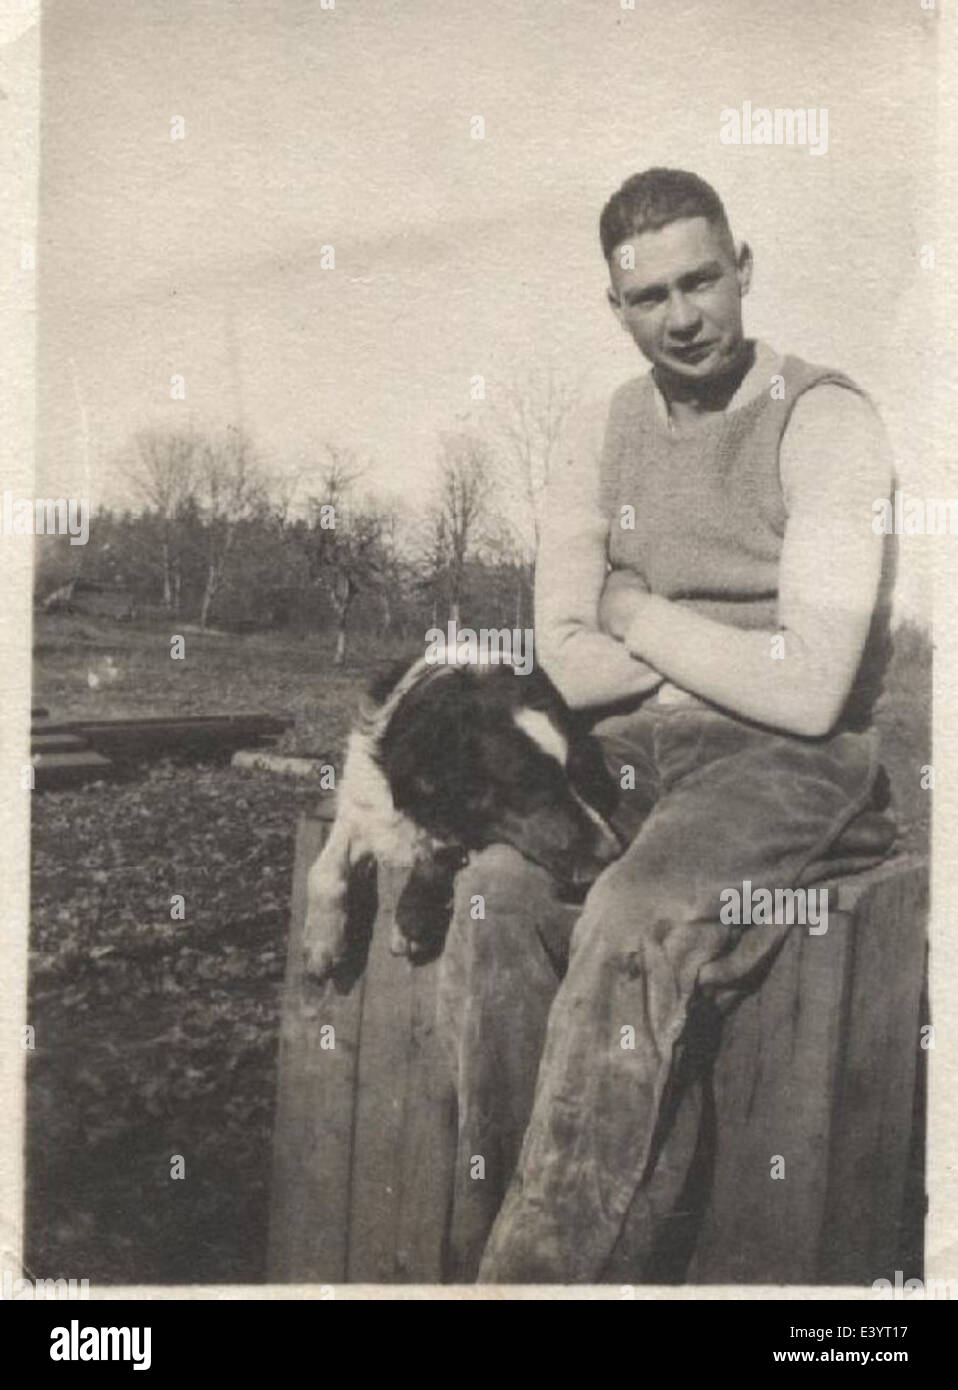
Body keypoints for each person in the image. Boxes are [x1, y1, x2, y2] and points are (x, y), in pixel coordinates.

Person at [436, 168, 897, 1283]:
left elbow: (810, 692)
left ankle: (537, 1283)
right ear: (616, 308)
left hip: (788, 764)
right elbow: (564, 658)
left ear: (744, 270)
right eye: (650, 297)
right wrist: (731, 655)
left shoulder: (826, 420)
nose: (683, 317)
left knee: (635, 918)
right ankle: (501, 1245)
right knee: (496, 896)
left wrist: (637, 612)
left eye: (702, 281)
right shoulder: (600, 432)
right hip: (636, 748)